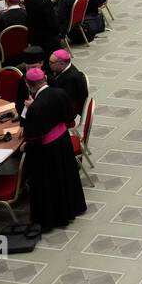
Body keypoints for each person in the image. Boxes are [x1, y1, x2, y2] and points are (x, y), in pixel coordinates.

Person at [19, 67, 88, 231]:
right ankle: (72, 208)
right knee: (65, 176)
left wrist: (25, 146)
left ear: (30, 86)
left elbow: (34, 138)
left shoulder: (35, 108)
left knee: (50, 184)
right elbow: (69, 115)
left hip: (47, 150)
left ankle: (54, 218)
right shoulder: (60, 93)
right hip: (63, 141)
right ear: (44, 79)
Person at [47, 48, 88, 121]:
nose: (49, 65)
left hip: (67, 112)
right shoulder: (65, 67)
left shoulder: (71, 79)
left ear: (62, 63)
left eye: (51, 63)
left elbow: (64, 101)